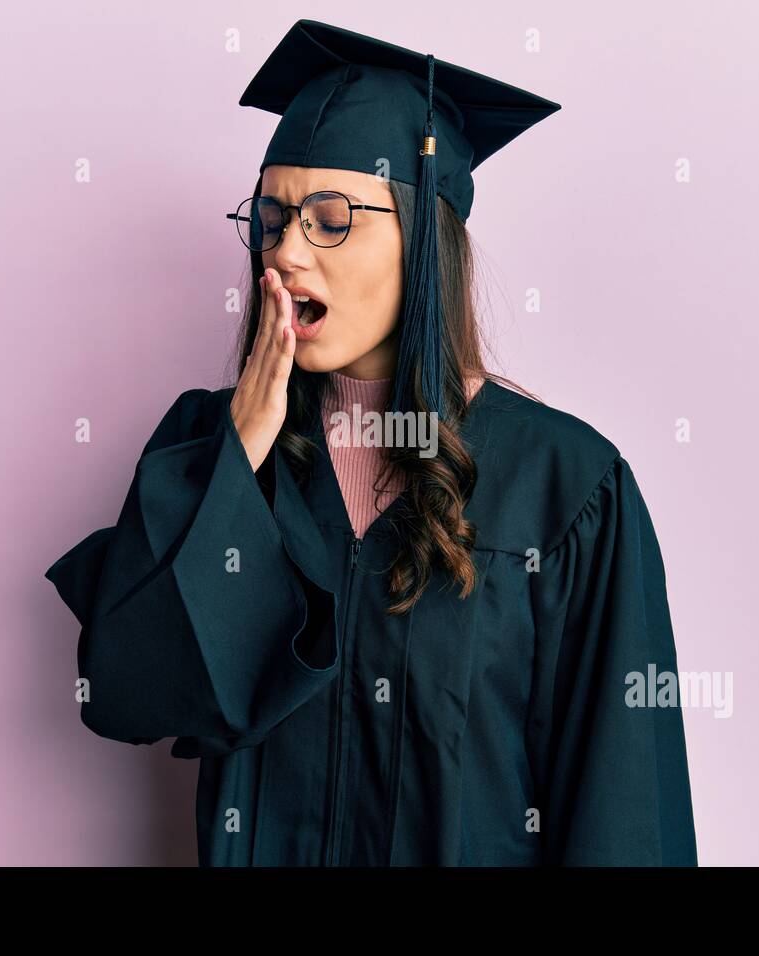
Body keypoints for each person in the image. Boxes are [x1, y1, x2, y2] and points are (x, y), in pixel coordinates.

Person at [45, 19, 698, 866]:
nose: (285, 251)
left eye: (331, 219)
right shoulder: (209, 448)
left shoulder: (565, 487)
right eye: (273, 217)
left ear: (423, 237)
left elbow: (624, 813)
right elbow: (127, 698)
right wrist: (236, 461)